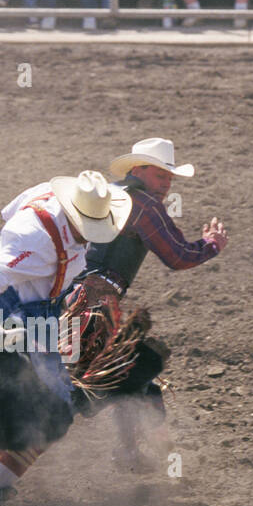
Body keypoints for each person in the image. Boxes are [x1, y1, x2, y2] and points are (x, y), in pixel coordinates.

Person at [0, 170, 132, 506]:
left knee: (45, 409)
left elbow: (6, 212)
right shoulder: (37, 236)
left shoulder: (49, 197)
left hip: (35, 313)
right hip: (3, 314)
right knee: (52, 412)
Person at [70, 137, 227, 469]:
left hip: (66, 297)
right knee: (126, 376)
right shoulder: (144, 206)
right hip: (97, 304)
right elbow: (179, 256)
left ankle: (134, 452)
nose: (167, 184)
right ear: (138, 170)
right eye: (160, 175)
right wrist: (212, 244)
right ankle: (150, 452)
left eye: (169, 178)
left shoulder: (109, 194)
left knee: (126, 376)